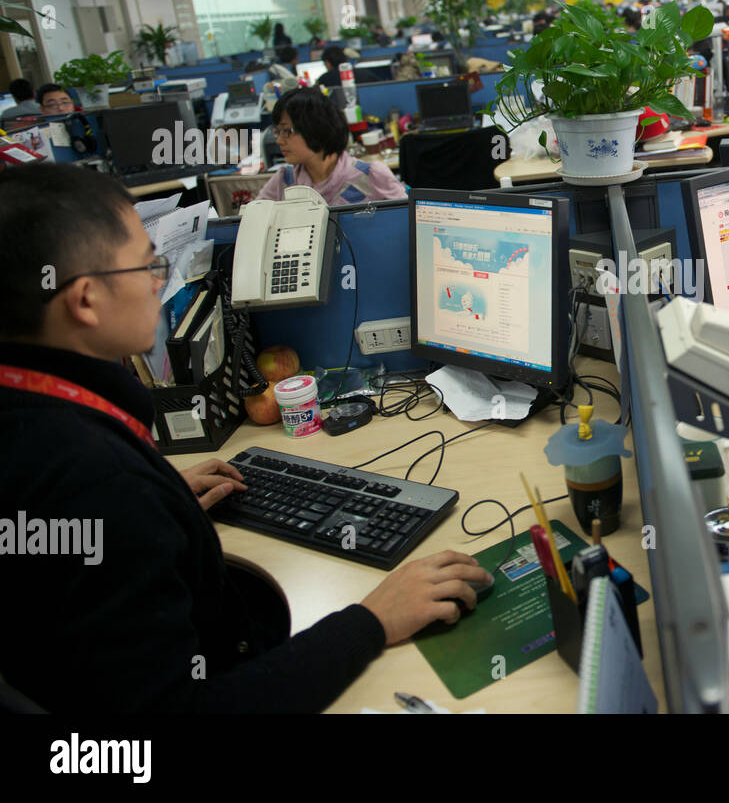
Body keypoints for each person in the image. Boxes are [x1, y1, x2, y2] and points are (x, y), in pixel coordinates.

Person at [0, 164, 488, 711]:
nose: (160, 280)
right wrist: (372, 620)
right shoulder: (96, 484)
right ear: (85, 300)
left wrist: (163, 504)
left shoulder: (34, 426)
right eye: (146, 264)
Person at [257, 86, 405, 205]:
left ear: (315, 128)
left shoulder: (370, 176)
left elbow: (408, 223)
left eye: (286, 131)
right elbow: (250, 223)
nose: (279, 141)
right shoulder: (284, 181)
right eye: (278, 132)